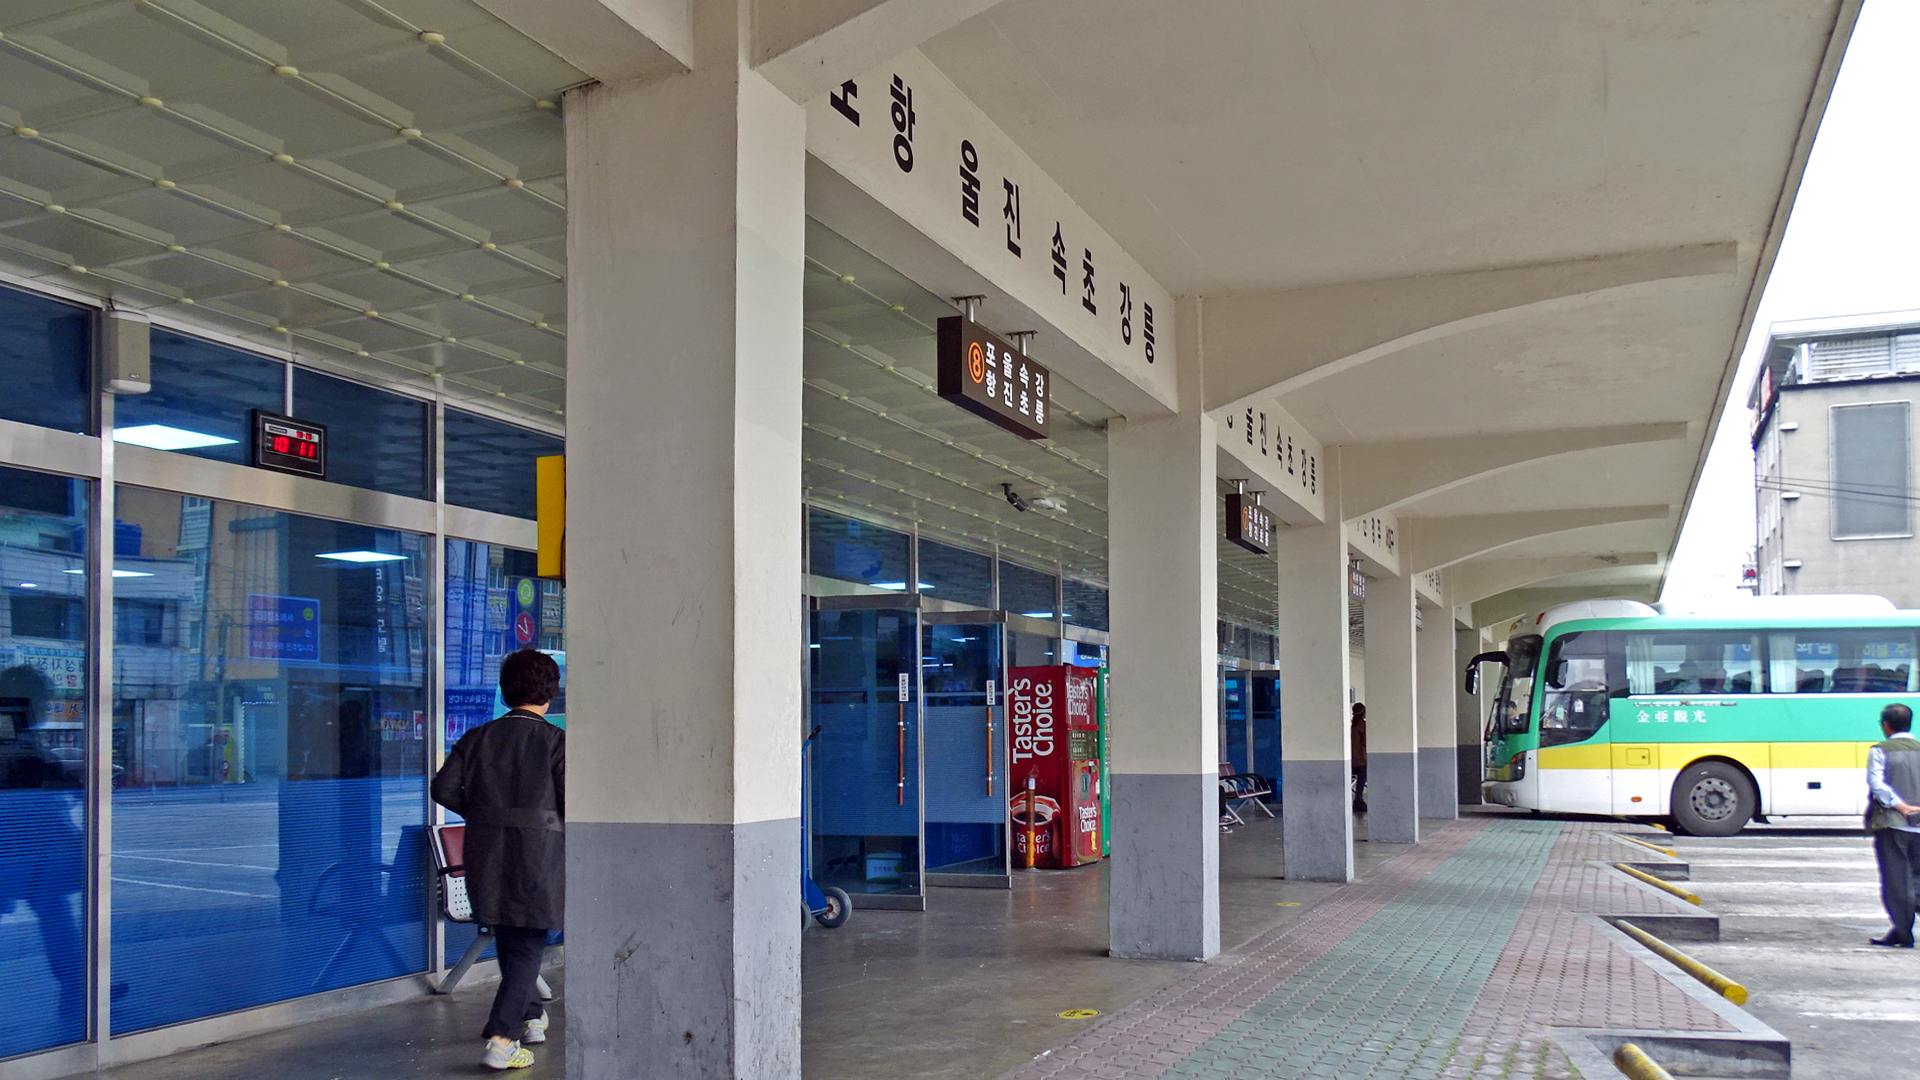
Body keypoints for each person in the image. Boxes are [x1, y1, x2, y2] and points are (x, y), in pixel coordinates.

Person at [432, 649, 566, 1070]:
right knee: (527, 940)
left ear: (506, 690)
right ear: (551, 693)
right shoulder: (556, 742)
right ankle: (502, 1038)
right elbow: (573, 801)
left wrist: (485, 815)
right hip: (539, 854)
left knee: (510, 933)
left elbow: (443, 789)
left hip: (486, 852)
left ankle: (531, 1016)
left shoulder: (477, 738)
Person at [1866, 702, 1920, 948]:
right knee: (1917, 877)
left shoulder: (1880, 750)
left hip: (1894, 824)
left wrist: (1901, 806)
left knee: (1896, 880)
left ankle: (1903, 931)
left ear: (1886, 725)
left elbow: (1878, 785)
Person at [1351, 701, 1368, 814]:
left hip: (1352, 758)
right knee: (1361, 781)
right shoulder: (1362, 725)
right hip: (1361, 758)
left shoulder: (1352, 725)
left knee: (1355, 780)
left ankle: (1356, 800)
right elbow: (1365, 742)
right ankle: (1358, 800)